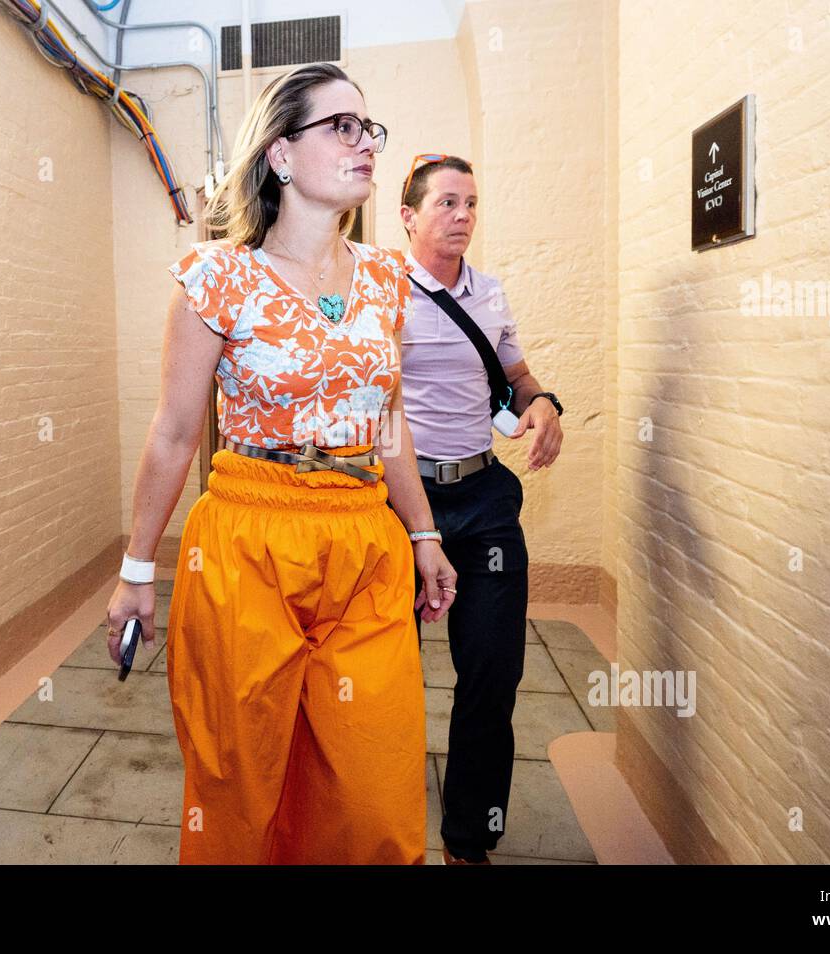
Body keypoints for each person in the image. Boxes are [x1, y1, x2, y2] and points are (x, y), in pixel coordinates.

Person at [104, 63, 458, 865]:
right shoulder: (216, 278)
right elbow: (173, 433)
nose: (364, 142)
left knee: (374, 788)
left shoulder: (384, 281)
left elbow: (389, 419)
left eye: (369, 128)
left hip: (362, 541)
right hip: (247, 541)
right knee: (241, 785)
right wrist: (135, 570)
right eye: (341, 126)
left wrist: (424, 536)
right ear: (281, 154)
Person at [395, 154, 564, 864]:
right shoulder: (379, 291)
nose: (463, 216)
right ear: (408, 216)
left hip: (483, 500)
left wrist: (544, 403)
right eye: (447, 204)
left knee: (492, 674)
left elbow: (516, 378)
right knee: (382, 673)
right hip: (399, 503)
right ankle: (378, 813)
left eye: (471, 204)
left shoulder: (489, 293)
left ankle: (470, 837)